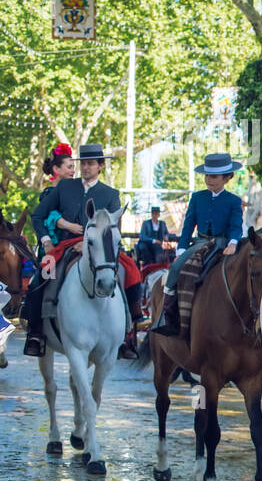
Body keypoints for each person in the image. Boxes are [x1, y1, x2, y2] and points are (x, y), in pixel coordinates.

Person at [24, 143, 148, 359]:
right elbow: (38, 216)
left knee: (127, 273)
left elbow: (114, 230)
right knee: (40, 277)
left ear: (100, 166)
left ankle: (126, 336)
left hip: (99, 248)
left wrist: (92, 243)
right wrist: (45, 241)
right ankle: (36, 333)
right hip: (63, 247)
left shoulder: (110, 194)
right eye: (83, 163)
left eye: (91, 164)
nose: (85, 168)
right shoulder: (64, 187)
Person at [151, 153, 245, 337]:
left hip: (224, 243)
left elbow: (236, 226)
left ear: (227, 178)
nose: (208, 179)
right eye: (207, 175)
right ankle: (168, 315)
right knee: (176, 268)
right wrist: (181, 250)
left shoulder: (234, 201)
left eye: (214, 176)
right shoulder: (197, 197)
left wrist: (233, 243)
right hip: (200, 242)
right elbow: (187, 227)